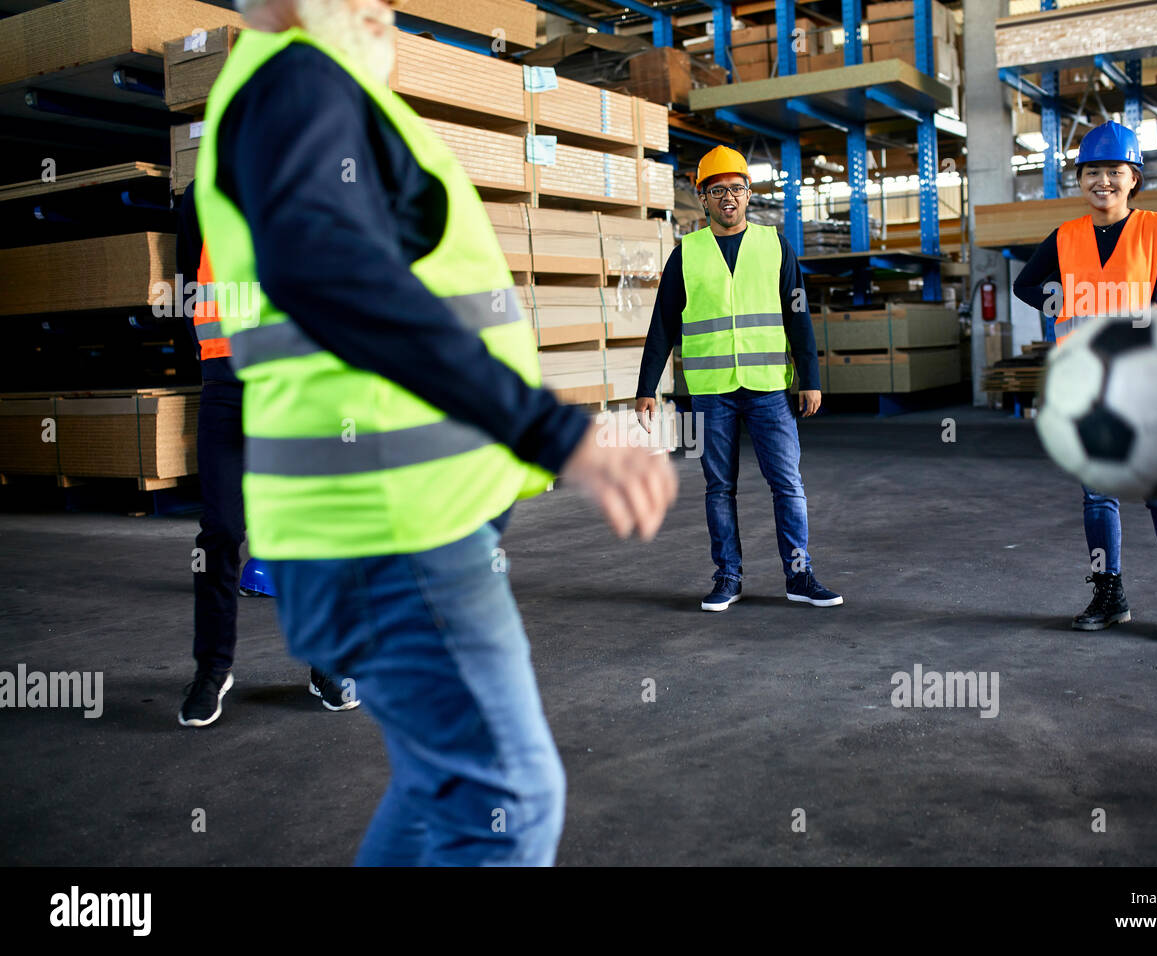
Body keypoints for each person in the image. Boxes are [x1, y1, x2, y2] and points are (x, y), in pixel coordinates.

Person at [195, 0, 676, 865]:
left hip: (399, 519)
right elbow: (327, 270)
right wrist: (553, 434)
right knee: (510, 802)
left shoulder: (318, 95)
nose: (378, 10)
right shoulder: (294, 80)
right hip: (391, 529)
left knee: (441, 796)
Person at [1013, 120, 1157, 642]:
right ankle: (1109, 594)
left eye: (1115, 171)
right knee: (1098, 497)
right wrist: (1062, 305)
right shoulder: (1066, 236)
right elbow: (1025, 284)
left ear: (1133, 177)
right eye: (1092, 172)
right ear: (1080, 179)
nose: (1103, 182)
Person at [175, 182, 360, 725]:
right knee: (221, 530)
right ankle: (213, 669)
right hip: (226, 385)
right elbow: (191, 278)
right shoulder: (196, 196)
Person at [635, 146, 841, 612]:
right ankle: (728, 576)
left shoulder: (774, 245)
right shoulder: (686, 254)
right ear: (702, 197)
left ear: (749, 194)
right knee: (718, 487)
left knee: (787, 483)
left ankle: (799, 574)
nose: (728, 197)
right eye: (717, 190)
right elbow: (663, 323)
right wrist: (647, 387)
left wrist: (810, 376)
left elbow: (799, 317)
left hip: (768, 386)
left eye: (736, 188)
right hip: (711, 393)